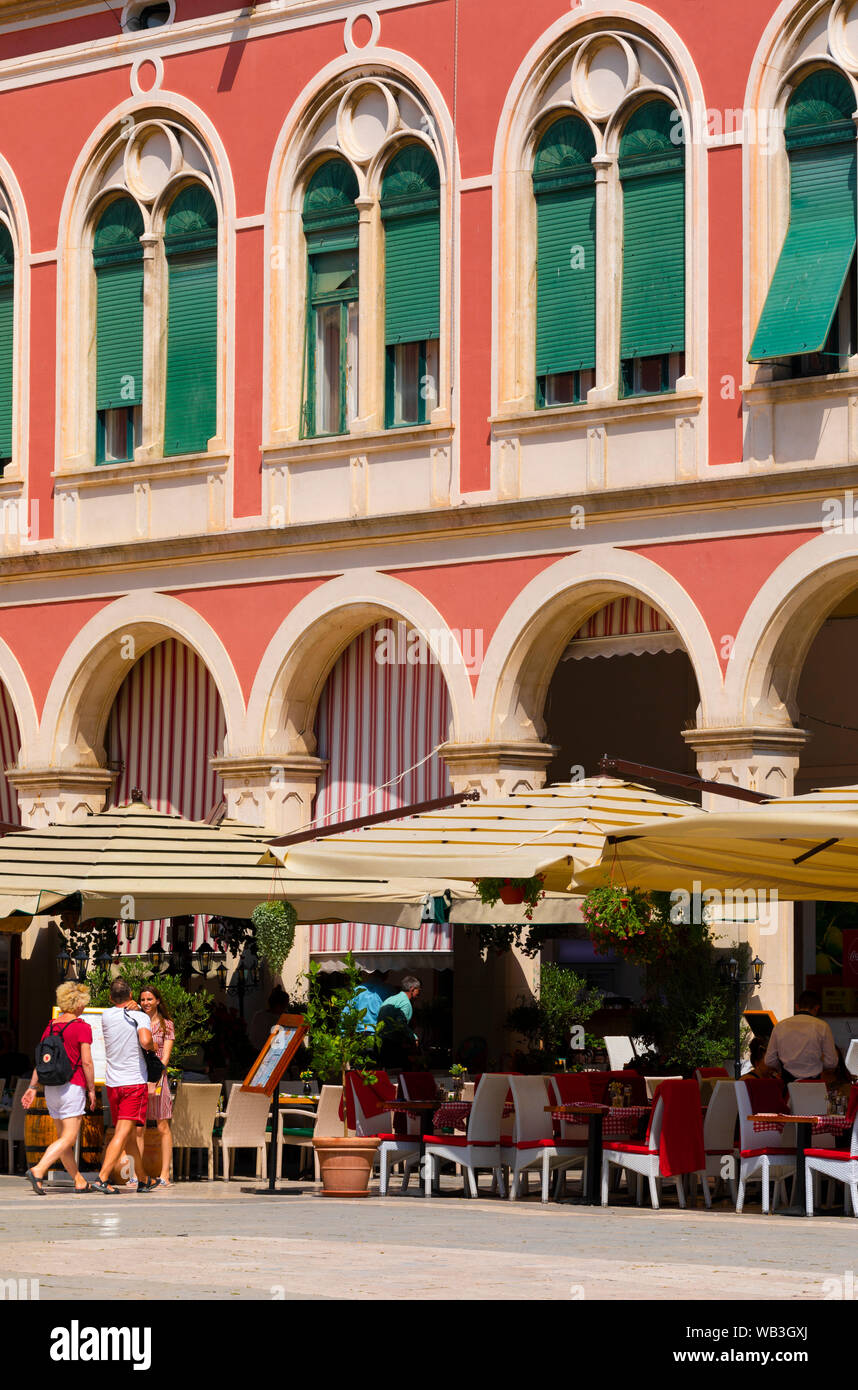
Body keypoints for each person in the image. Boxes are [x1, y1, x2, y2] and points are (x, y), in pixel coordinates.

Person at [21, 982, 96, 1195]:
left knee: (64, 1139)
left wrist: (33, 1086)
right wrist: (91, 1089)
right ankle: (39, 1170)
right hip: (73, 1086)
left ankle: (79, 1181)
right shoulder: (82, 1027)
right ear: (78, 1003)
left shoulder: (51, 1026)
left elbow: (42, 1059)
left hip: (52, 1087)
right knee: (68, 1138)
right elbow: (87, 1062)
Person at [92, 978, 158, 1195]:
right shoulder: (139, 1016)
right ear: (131, 995)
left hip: (113, 1084)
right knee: (122, 1133)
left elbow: (121, 1012)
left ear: (111, 998)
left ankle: (143, 1179)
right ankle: (102, 1178)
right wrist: (154, 1044)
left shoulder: (106, 1015)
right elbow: (146, 1042)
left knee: (128, 1135)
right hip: (133, 1082)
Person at [139, 984, 175, 1187]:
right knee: (138, 1127)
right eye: (143, 999)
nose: (146, 1003)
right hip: (139, 1077)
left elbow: (166, 1056)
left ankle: (164, 1174)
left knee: (162, 1126)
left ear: (158, 1001)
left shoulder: (166, 1025)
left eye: (150, 999)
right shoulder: (136, 1021)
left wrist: (155, 1079)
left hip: (158, 1077)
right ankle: (139, 1174)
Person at [763, 989, 838, 1084]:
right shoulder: (822, 1026)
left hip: (787, 1083)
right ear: (816, 1008)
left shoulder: (780, 1026)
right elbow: (831, 1062)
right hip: (814, 1083)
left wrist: (782, 1069)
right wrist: (818, 1065)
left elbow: (769, 1060)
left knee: (788, 1099)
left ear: (797, 1007)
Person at [377, 975, 422, 1068]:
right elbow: (401, 1025)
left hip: (381, 1042)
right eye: (419, 990)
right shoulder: (405, 1003)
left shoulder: (390, 999)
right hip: (393, 1045)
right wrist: (414, 1037)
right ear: (412, 989)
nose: (419, 993)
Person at [248, 986, 290, 1053]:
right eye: (285, 1006)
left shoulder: (259, 1015)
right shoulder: (276, 1019)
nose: (286, 1009)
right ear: (278, 1006)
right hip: (266, 1054)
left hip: (257, 1052)